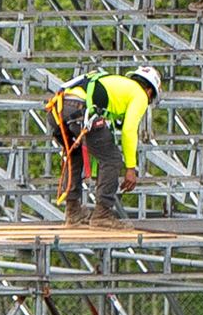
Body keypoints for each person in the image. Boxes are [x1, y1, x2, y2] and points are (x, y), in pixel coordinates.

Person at [44, 65, 162, 229]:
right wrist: (130, 168)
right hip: (80, 109)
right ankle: (102, 215)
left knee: (75, 155)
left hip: (57, 109)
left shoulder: (118, 83)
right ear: (150, 91)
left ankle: (73, 213)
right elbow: (129, 131)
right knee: (112, 159)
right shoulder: (140, 94)